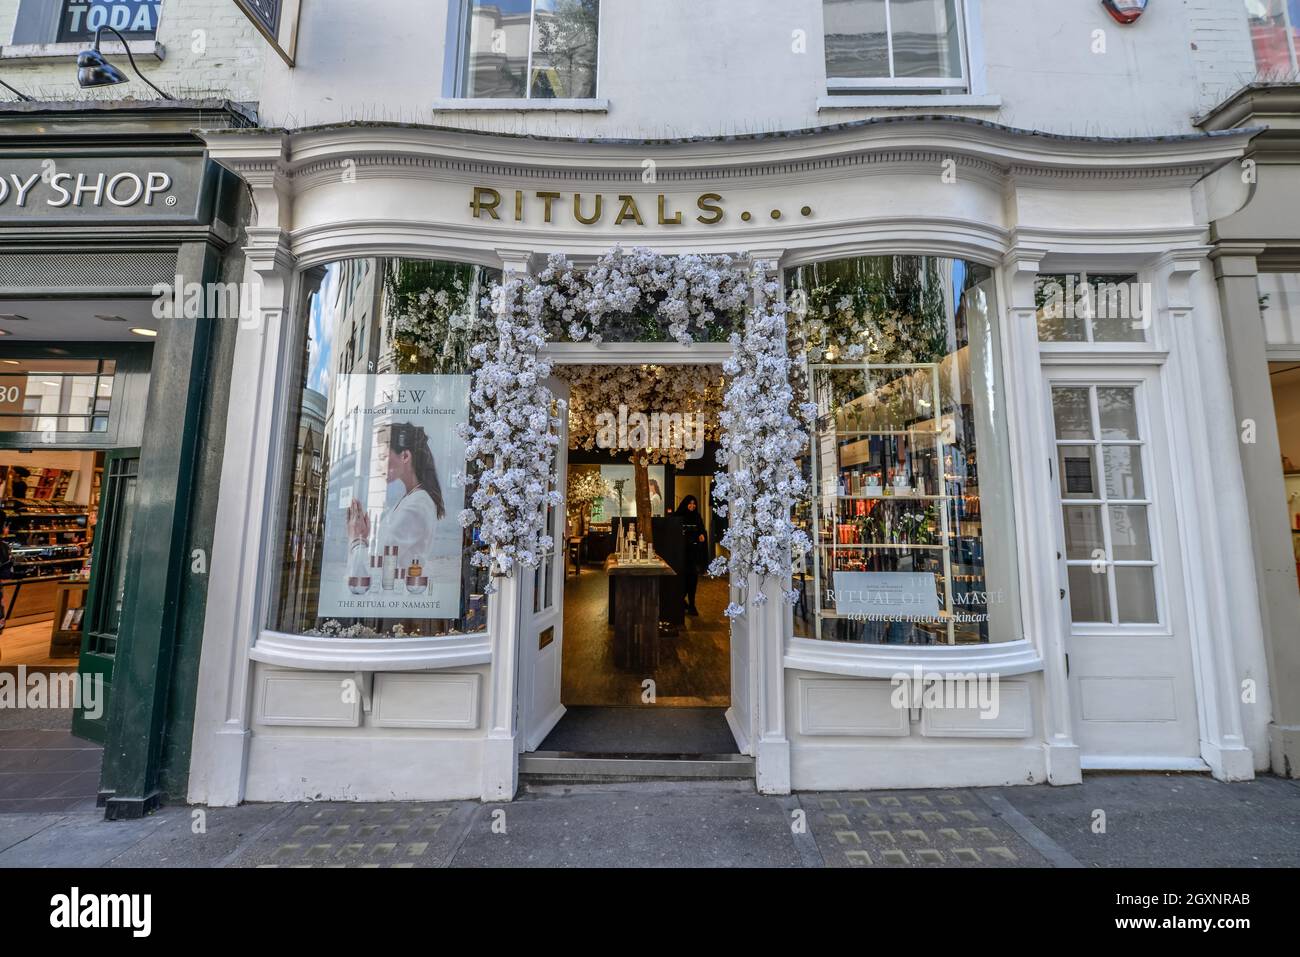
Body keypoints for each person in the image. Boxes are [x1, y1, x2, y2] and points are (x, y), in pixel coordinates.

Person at [346, 422, 446, 582]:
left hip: (396, 592)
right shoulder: (412, 498)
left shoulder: (416, 504)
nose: (379, 466)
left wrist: (357, 539)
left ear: (405, 456)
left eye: (383, 457)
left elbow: (377, 567)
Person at [675, 495, 707, 615]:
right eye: (690, 503)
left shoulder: (697, 517)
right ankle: (682, 602)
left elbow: (702, 530)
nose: (692, 506)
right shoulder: (678, 516)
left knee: (692, 579)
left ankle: (691, 604)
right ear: (685, 504)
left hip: (693, 553)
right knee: (683, 580)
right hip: (681, 554)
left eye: (694, 504)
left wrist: (702, 535)